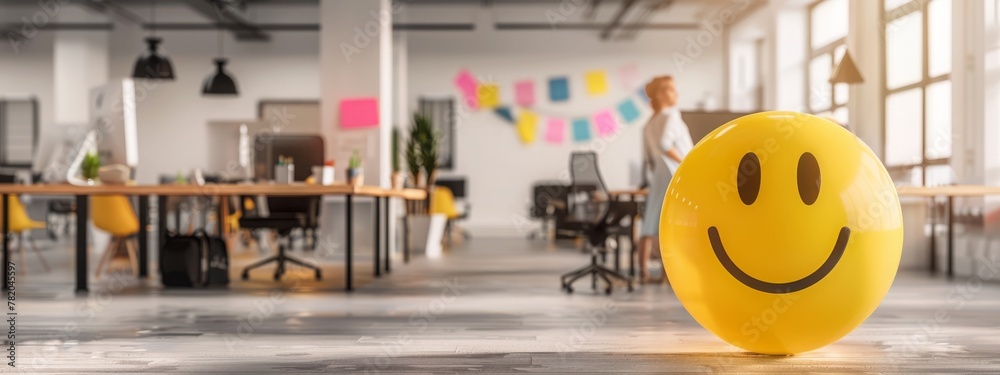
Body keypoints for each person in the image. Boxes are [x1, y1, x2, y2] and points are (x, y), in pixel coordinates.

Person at [639, 76, 694, 283]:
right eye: (671, 90)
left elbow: (647, 157)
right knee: (672, 225)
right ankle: (666, 274)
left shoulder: (649, 123)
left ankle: (643, 272)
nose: (676, 94)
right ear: (661, 95)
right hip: (675, 173)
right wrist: (686, 162)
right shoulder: (671, 116)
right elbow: (664, 144)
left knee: (651, 223)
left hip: (659, 174)